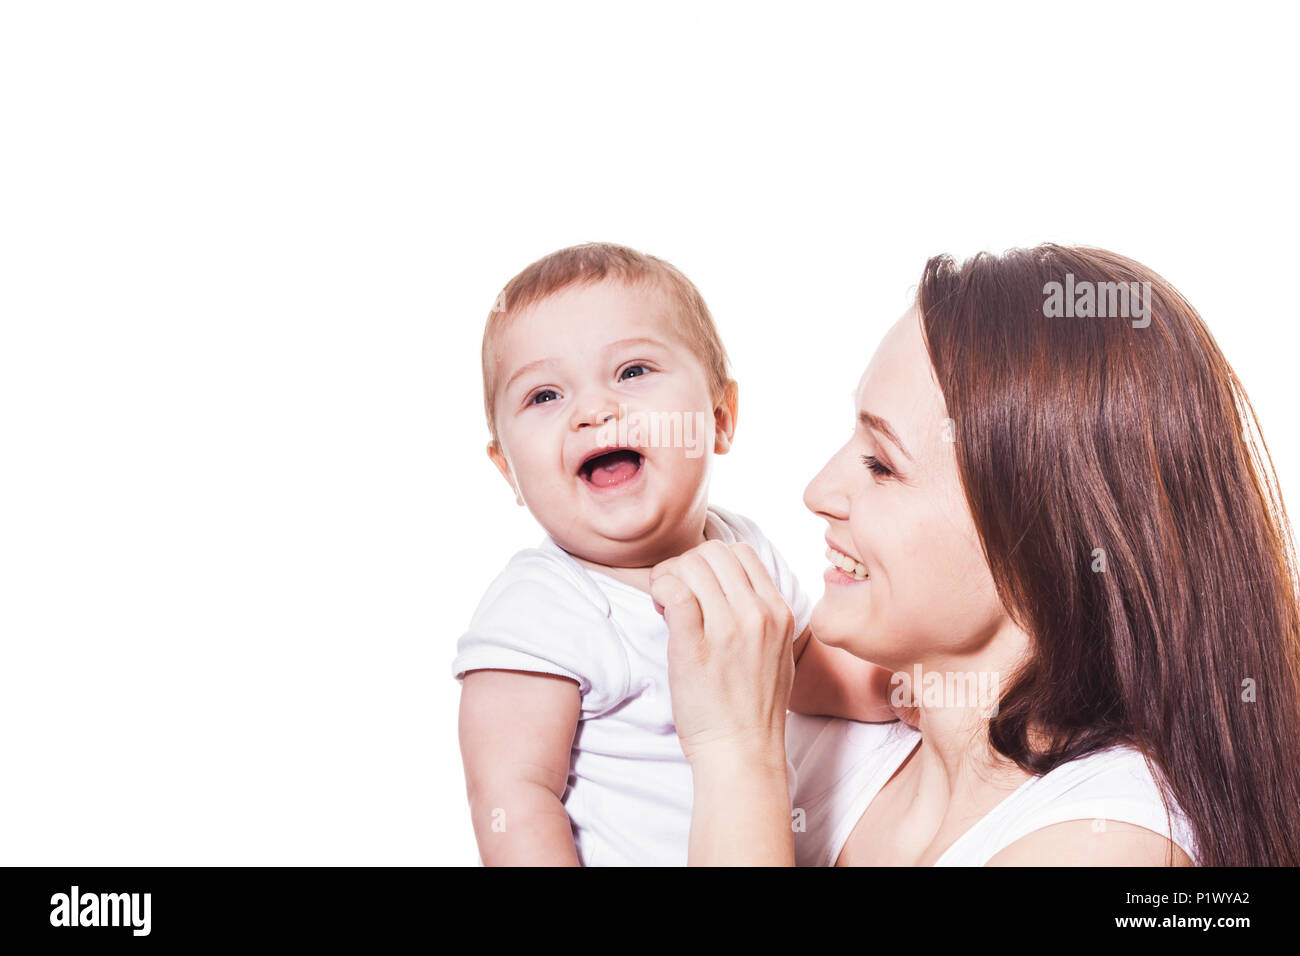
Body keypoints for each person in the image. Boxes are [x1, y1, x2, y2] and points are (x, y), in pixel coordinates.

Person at [651, 244, 1300, 866]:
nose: (818, 492)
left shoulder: (1110, 840)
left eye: (881, 464)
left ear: (1039, 539)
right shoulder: (831, 740)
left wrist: (737, 758)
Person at [452, 242, 894, 866]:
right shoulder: (540, 612)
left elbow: (805, 667)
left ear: (719, 417)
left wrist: (898, 692)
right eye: (544, 396)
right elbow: (514, 801)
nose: (594, 410)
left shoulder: (741, 547)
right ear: (508, 474)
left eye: (632, 372)